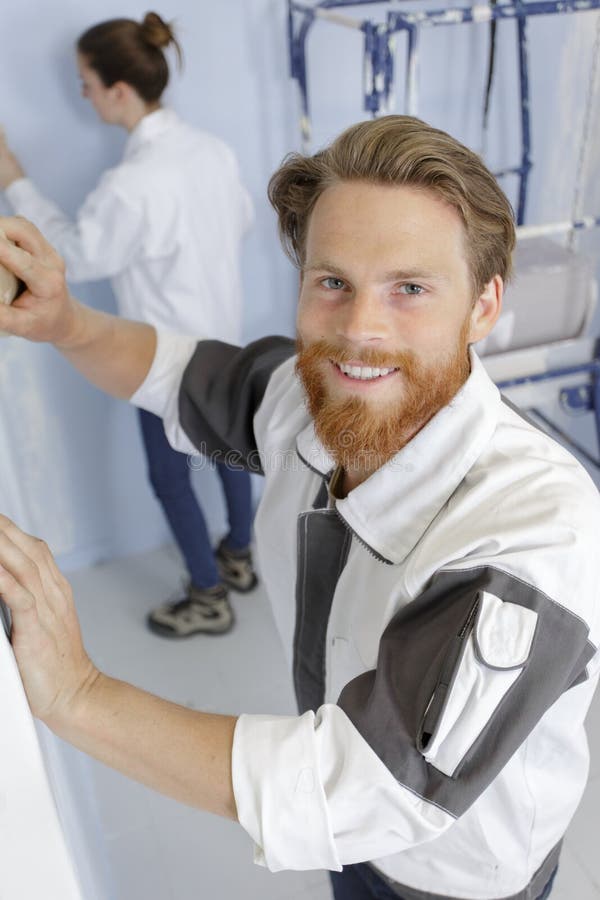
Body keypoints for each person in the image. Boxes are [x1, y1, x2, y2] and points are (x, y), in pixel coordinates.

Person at [0, 114, 599, 900]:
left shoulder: (535, 530)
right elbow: (176, 373)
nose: (359, 330)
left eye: (410, 289)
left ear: (483, 306)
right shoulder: (307, 399)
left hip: (459, 878)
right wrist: (67, 323)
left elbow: (364, 788)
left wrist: (78, 694)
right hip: (344, 846)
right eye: (332, 282)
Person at [0, 12, 257, 637]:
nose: (82, 94)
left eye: (86, 83)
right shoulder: (211, 150)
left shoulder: (133, 184)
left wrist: (15, 180)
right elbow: (243, 220)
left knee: (169, 477)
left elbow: (74, 255)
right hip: (228, 344)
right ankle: (240, 555)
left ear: (118, 90)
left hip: (165, 357)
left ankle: (208, 595)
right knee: (231, 453)